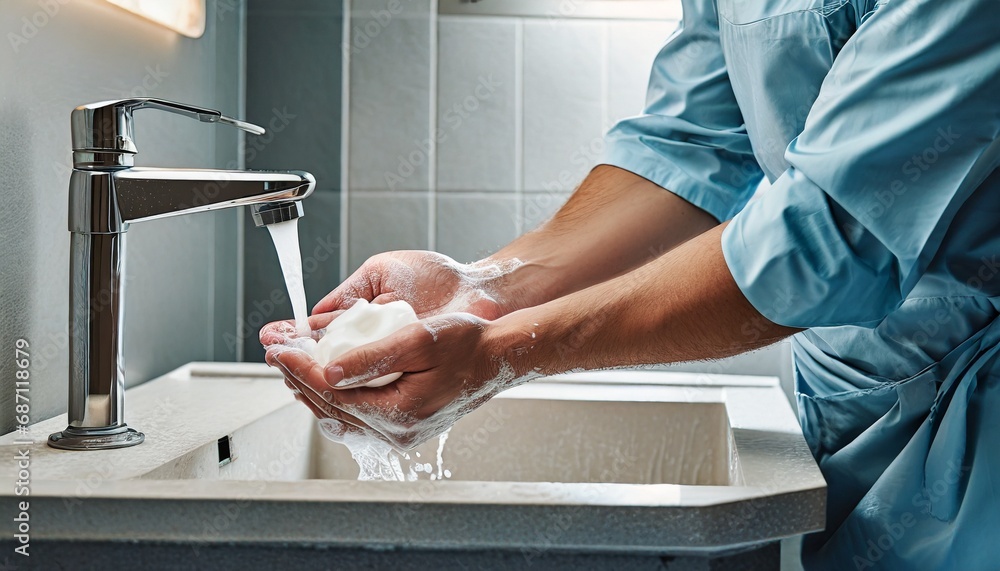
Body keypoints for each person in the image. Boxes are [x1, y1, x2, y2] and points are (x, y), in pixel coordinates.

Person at [261, 0, 1000, 568]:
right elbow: (692, 148)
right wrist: (482, 288)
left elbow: (830, 235)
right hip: (861, 406)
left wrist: (498, 352)